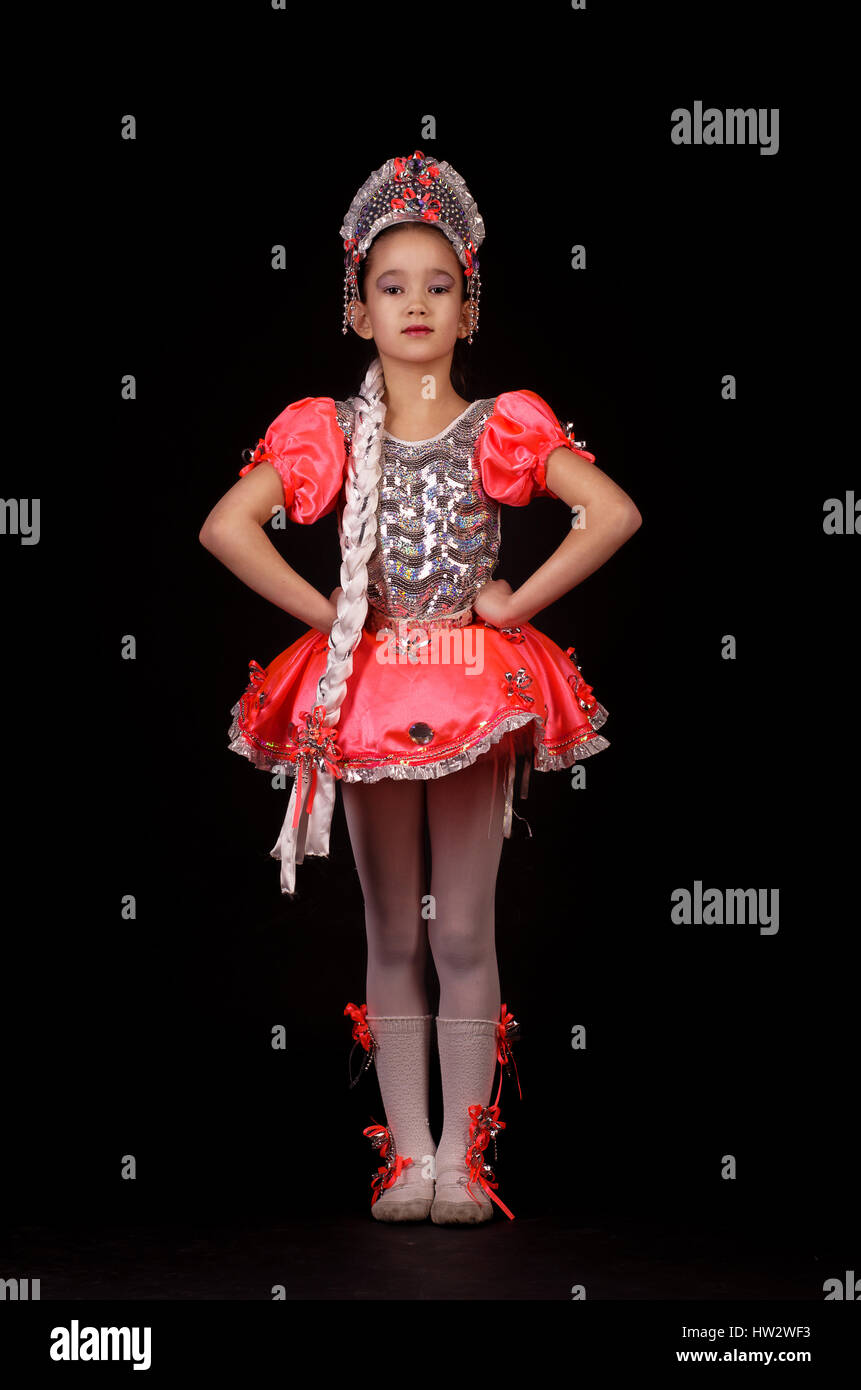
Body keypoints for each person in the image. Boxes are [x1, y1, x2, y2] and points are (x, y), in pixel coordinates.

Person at [199, 150, 642, 1226]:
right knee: (391, 925)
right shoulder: (329, 432)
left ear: (469, 309)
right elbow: (223, 526)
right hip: (368, 683)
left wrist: (511, 604)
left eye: (438, 286)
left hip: (467, 676)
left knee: (463, 929)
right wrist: (331, 619)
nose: (414, 304)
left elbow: (614, 511)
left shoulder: (500, 425)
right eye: (390, 286)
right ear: (357, 311)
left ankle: (461, 1158)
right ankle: (402, 1159)